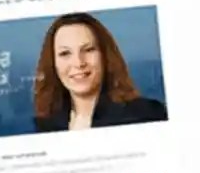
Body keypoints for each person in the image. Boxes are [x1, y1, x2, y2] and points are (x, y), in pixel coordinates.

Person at [33, 12, 167, 132]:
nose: (79, 63)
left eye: (88, 49)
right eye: (65, 53)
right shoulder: (45, 125)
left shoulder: (146, 114)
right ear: (53, 63)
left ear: (105, 56)